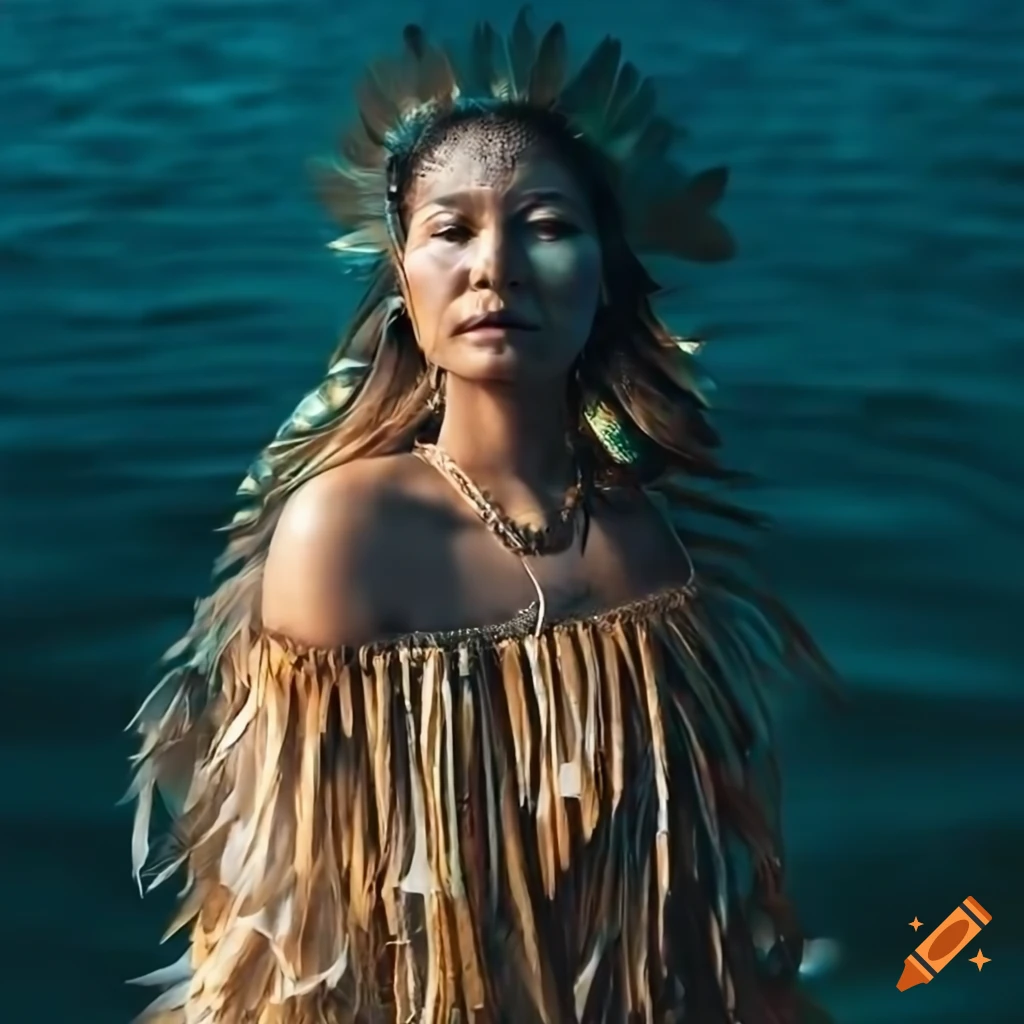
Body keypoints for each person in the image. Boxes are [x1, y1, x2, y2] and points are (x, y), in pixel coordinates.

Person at [127, 11, 834, 1023]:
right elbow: (292, 930)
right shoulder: (347, 532)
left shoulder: (646, 544)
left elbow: (689, 905)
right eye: (450, 230)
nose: (493, 267)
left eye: (544, 227)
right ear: (404, 282)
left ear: (606, 273)